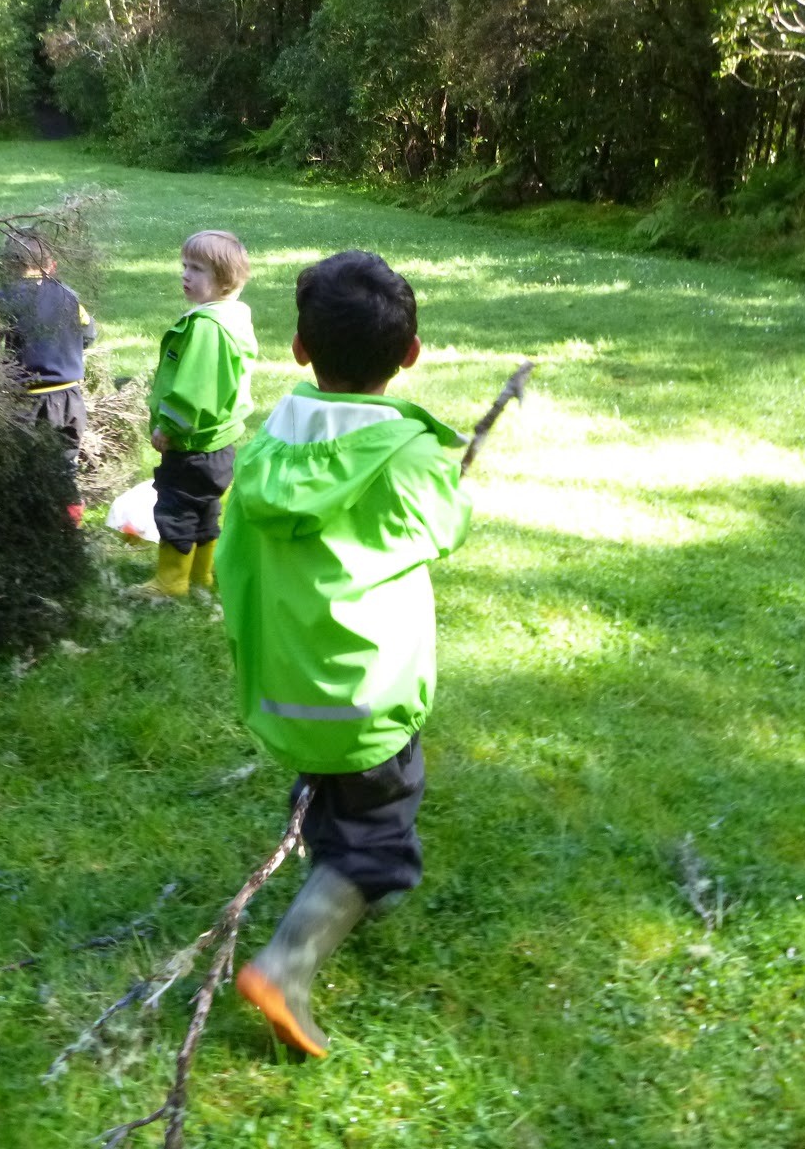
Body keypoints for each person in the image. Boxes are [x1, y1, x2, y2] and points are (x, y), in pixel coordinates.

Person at [217, 251, 473, 1057]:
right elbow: (446, 526)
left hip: (285, 682)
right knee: (381, 836)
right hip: (367, 693)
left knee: (337, 788)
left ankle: (339, 883)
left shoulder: (268, 446)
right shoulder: (405, 454)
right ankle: (287, 964)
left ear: (300, 349)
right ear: (411, 353)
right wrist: (448, 476)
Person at [139, 230, 258, 600]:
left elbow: (195, 390)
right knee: (206, 508)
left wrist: (169, 428)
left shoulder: (207, 327)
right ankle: (201, 576)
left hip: (190, 443)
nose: (185, 275)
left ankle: (171, 582)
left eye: (197, 269)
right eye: (185, 266)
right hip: (219, 443)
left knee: (176, 508)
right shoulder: (232, 317)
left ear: (225, 281)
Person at [0, 231, 97, 526]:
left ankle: (27, 526)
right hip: (70, 399)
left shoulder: (5, 298)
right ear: (51, 266)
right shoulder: (69, 296)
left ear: (8, 265)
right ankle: (70, 526)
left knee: (23, 465)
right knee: (65, 465)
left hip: (27, 400)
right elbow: (88, 333)